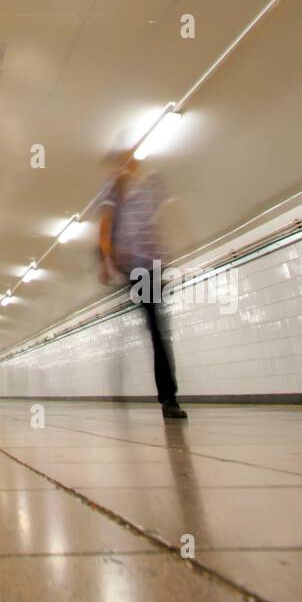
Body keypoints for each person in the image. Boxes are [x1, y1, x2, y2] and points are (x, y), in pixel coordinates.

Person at [97, 152, 188, 421]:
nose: (128, 163)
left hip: (154, 265)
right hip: (135, 267)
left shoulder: (151, 184)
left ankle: (168, 396)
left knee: (160, 330)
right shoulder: (115, 185)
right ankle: (169, 398)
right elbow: (105, 223)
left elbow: (163, 217)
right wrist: (106, 258)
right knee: (158, 330)